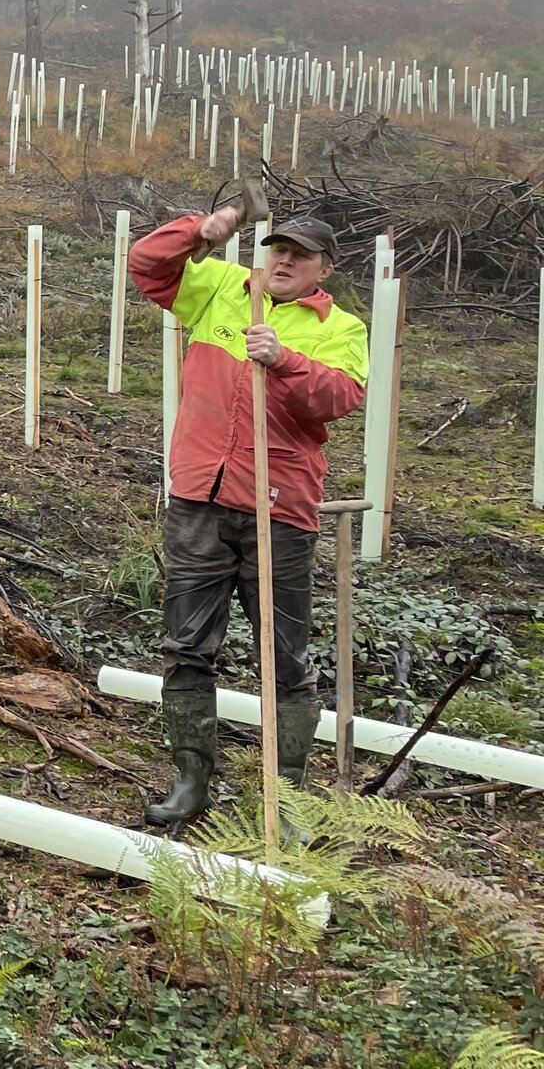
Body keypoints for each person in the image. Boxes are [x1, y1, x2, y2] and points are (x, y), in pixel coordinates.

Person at [127, 208, 367, 827]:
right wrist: (199, 233)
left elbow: (342, 399)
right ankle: (190, 781)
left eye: (300, 255)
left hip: (278, 507)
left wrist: (286, 360)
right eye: (276, 250)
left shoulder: (341, 327)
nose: (283, 261)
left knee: (284, 658)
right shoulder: (218, 292)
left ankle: (283, 798)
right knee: (186, 647)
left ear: (325, 270)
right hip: (200, 500)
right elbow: (147, 266)